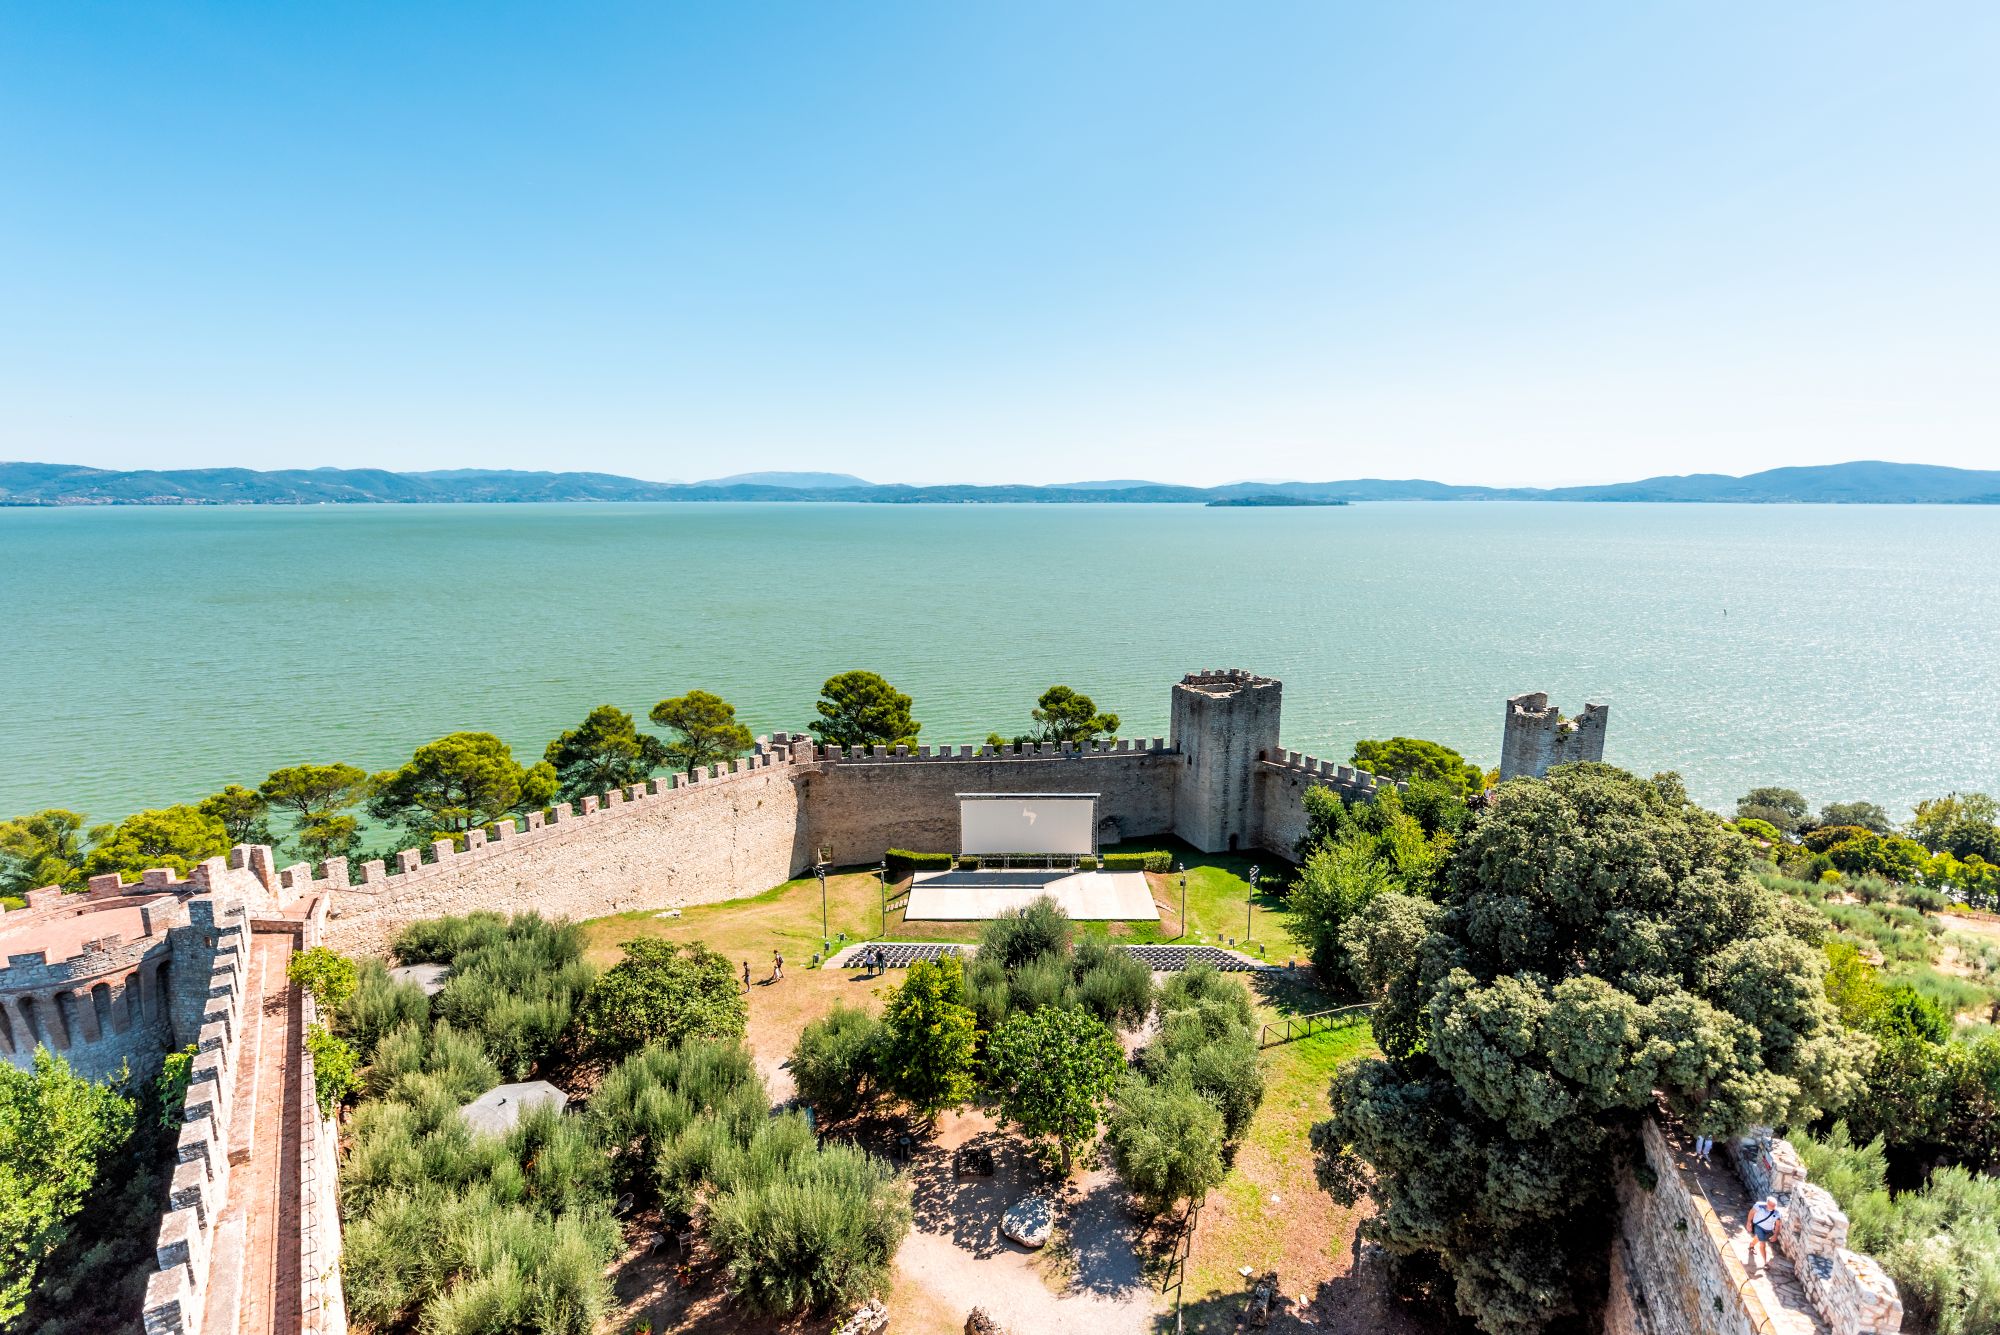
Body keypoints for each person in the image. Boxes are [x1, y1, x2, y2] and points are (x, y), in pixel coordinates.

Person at [1747, 1195, 1783, 1267]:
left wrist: (1775, 1235)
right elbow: (1751, 1213)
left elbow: (1778, 1225)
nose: (1772, 1207)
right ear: (1767, 1203)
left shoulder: (1777, 1213)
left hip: (1768, 1230)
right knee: (1762, 1244)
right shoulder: (1759, 1206)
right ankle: (1765, 1262)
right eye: (1771, 1205)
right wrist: (1749, 1222)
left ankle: (1751, 1245)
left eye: (1774, 1206)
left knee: (1758, 1238)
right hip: (1758, 1227)